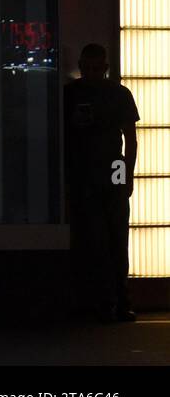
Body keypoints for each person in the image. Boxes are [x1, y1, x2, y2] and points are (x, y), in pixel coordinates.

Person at [64, 43, 139, 323]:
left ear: (104, 68)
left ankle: (110, 301)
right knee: (106, 240)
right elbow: (129, 139)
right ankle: (114, 301)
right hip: (99, 175)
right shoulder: (118, 94)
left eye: (97, 68)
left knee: (107, 241)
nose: (93, 73)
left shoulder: (71, 95)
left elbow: (131, 139)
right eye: (90, 68)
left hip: (92, 176)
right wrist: (127, 174)